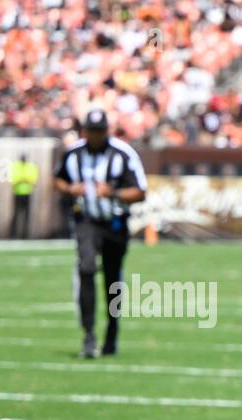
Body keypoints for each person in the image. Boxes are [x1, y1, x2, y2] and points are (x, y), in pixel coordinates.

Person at [52, 110, 148, 358]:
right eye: (91, 131)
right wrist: (71, 189)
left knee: (112, 279)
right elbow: (58, 180)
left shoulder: (123, 154)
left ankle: (112, 330)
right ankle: (89, 334)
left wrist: (113, 193)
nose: (95, 136)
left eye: (99, 131)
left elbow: (140, 191)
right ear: (85, 131)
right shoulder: (73, 153)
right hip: (86, 221)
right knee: (85, 269)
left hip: (115, 222)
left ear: (107, 131)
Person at [10, 153, 39, 239]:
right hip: (17, 193)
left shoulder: (30, 166)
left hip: (27, 193)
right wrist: (24, 179)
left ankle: (24, 234)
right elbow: (14, 179)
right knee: (16, 214)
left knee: (26, 215)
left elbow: (33, 179)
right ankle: (14, 234)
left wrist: (23, 179)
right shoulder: (16, 166)